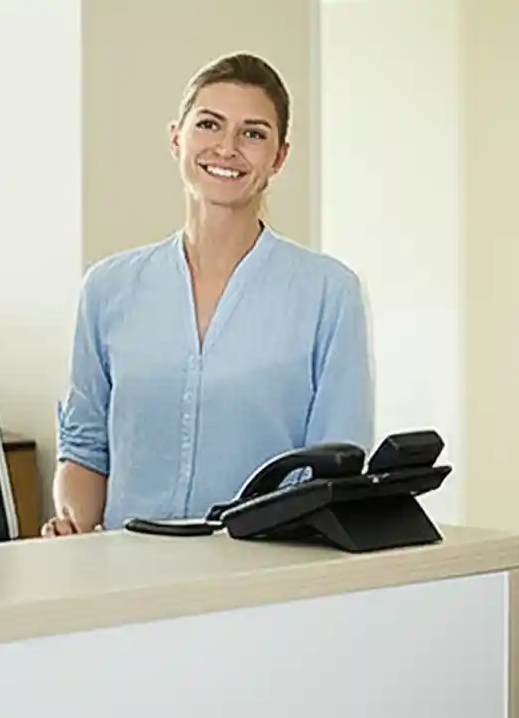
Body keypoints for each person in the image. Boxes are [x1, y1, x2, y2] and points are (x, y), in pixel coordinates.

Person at [43, 52, 373, 537]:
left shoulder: (329, 292)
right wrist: (71, 528)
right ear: (177, 138)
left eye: (253, 133)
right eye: (209, 125)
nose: (227, 147)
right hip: (126, 573)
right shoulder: (107, 288)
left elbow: (337, 466)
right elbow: (87, 447)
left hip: (265, 575)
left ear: (279, 156)